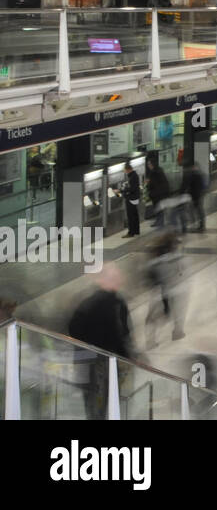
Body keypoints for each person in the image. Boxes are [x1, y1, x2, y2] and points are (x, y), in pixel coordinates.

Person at [68, 266, 134, 419]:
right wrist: (127, 357)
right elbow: (122, 334)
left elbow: (73, 329)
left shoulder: (86, 302)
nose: (120, 280)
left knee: (93, 401)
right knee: (108, 398)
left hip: (88, 361)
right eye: (116, 277)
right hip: (106, 362)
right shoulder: (117, 303)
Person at [121, 162, 141, 237]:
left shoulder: (132, 177)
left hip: (131, 198)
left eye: (125, 170)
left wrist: (123, 190)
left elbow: (132, 188)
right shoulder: (134, 175)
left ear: (128, 170)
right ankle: (136, 231)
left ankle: (131, 232)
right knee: (135, 215)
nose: (125, 172)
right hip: (135, 198)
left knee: (131, 216)